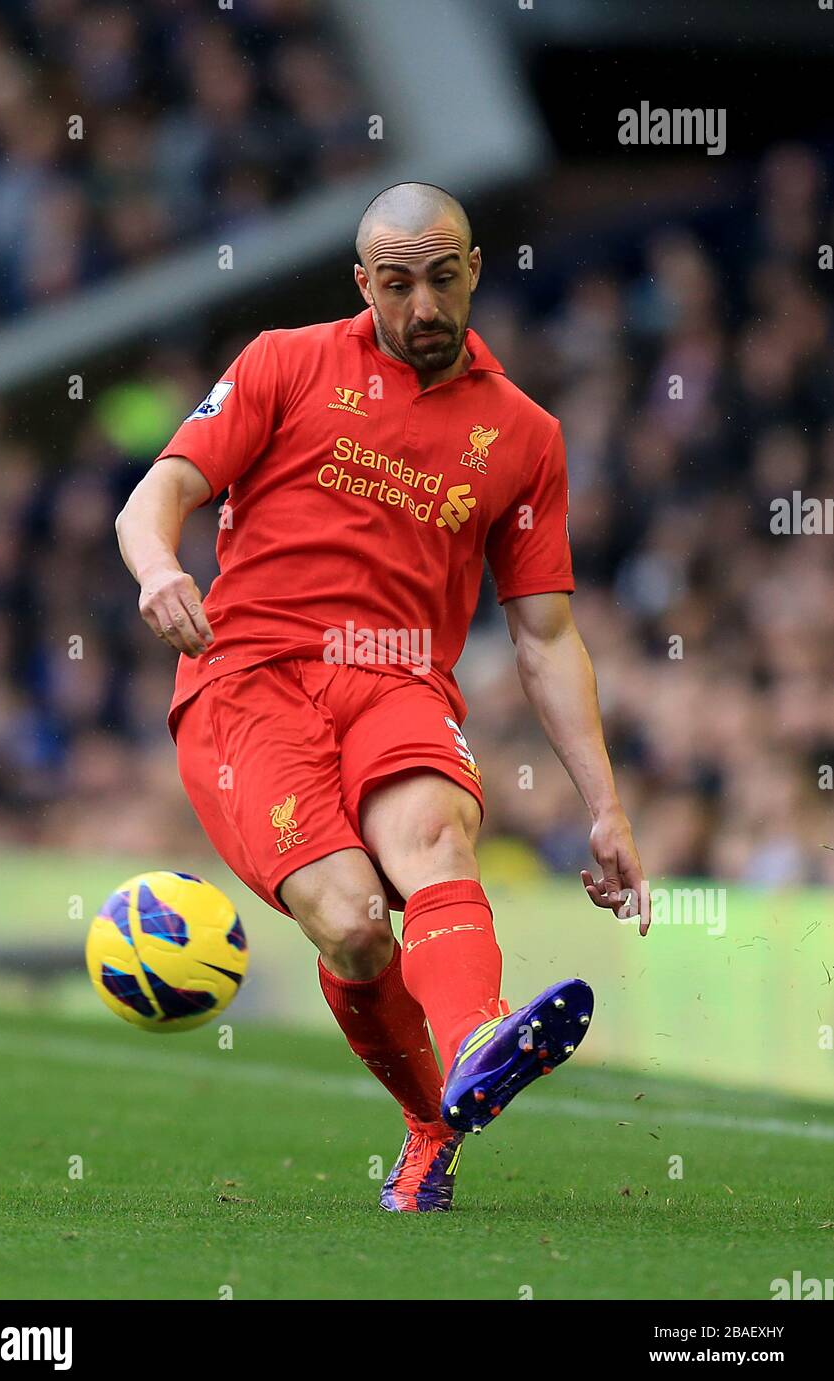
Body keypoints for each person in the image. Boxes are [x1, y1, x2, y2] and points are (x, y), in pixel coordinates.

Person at [116, 182, 649, 1214]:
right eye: (397, 284)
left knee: (439, 839)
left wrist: (604, 802)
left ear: (475, 271)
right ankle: (430, 1121)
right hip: (249, 679)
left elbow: (543, 633)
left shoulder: (525, 435)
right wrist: (153, 570)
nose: (422, 308)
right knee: (356, 925)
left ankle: (479, 1037)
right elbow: (159, 496)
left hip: (401, 675)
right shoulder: (285, 360)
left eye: (442, 280)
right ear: (364, 282)